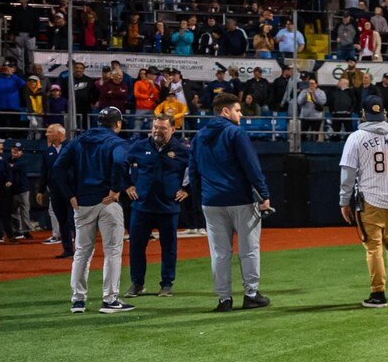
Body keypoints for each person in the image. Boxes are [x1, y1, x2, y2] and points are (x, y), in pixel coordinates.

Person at [191, 92, 272, 312]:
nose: (240, 114)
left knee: (219, 253)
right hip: (240, 200)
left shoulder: (198, 136)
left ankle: (224, 299)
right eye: (237, 110)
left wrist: (202, 197)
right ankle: (251, 294)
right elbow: (251, 167)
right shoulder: (235, 134)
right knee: (248, 249)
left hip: (211, 202)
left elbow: (193, 171)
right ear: (225, 111)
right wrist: (264, 194)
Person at [53, 107, 134, 314]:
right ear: (117, 124)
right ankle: (110, 300)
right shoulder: (116, 142)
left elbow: (58, 167)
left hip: (82, 202)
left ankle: (78, 300)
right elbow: (119, 161)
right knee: (112, 252)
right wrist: (115, 189)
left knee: (82, 252)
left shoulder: (78, 141)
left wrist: (69, 194)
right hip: (108, 202)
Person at [339, 96, 388, 308]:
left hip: (370, 200)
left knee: (373, 248)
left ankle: (378, 294)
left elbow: (347, 174)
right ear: (383, 113)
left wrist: (344, 201)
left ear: (363, 114)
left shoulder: (356, 138)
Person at [125, 114, 191, 298]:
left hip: (168, 207)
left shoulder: (181, 150)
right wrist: (127, 185)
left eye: (162, 128)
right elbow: (122, 164)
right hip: (141, 206)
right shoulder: (139, 146)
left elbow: (196, 170)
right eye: (155, 127)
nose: (157, 131)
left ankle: (167, 284)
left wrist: (188, 190)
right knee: (136, 247)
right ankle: (137, 283)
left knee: (168, 247)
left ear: (173, 129)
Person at [37, 123, 74, 256]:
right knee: (62, 220)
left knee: (73, 221)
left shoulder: (72, 148)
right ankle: (68, 250)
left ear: (59, 134)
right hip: (55, 192)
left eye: (49, 132)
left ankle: (82, 249)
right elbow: (44, 172)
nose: (46, 134)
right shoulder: (48, 152)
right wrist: (40, 190)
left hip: (71, 192)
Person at [7, 142, 32, 239]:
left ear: (21, 152)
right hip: (13, 190)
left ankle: (26, 231)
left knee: (24, 211)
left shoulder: (23, 160)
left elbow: (14, 167)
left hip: (23, 189)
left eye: (17, 150)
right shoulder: (8, 160)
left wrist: (10, 166)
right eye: (13, 150)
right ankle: (17, 231)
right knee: (14, 212)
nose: (15, 152)